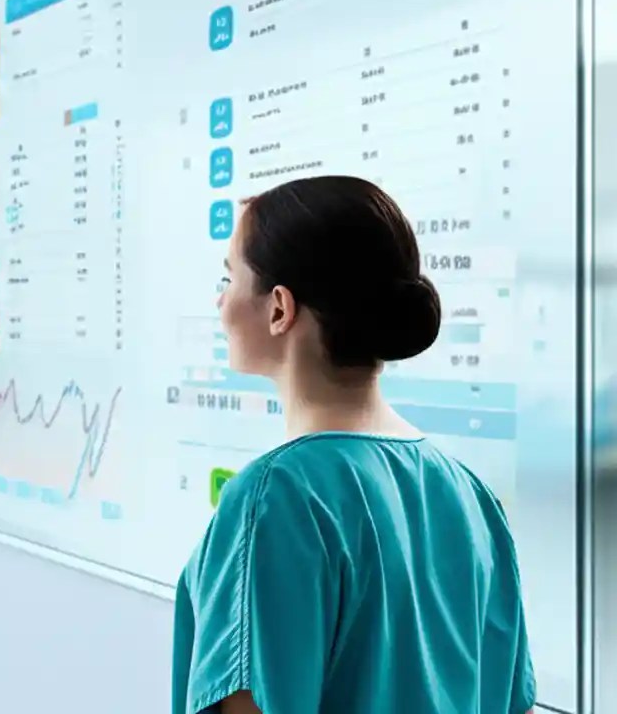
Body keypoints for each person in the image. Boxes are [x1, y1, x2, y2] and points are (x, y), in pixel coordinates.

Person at [172, 176, 535, 714]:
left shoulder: (273, 500)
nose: (221, 301)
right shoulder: (470, 496)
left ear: (278, 308)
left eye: (229, 278)